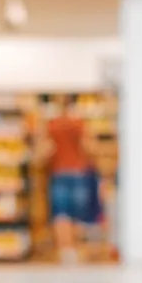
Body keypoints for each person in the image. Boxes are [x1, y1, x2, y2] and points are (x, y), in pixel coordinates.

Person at [44, 96, 94, 263]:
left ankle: (64, 250)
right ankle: (75, 248)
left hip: (58, 172)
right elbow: (88, 147)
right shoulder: (79, 124)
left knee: (60, 213)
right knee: (77, 213)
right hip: (78, 172)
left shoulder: (52, 125)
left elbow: (46, 149)